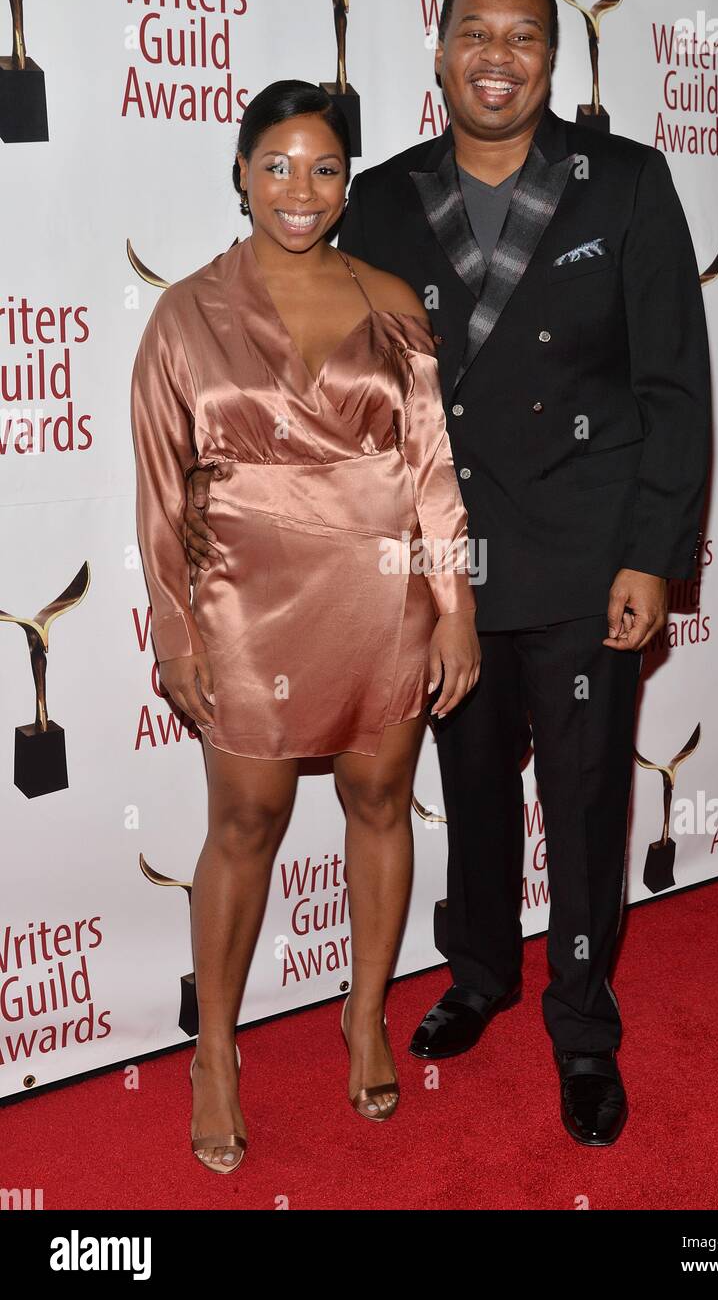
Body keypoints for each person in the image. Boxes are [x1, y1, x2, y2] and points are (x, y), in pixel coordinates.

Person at [185, 0, 711, 1148]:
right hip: (433, 570)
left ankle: (582, 1028)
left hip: (585, 560)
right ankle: (477, 973)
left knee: (579, 804)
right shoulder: (373, 197)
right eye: (473, 31)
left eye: (522, 36)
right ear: (436, 55)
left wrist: (652, 555)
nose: (496, 54)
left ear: (550, 62)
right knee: (467, 790)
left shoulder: (623, 182)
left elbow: (672, 384)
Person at [130, 79, 479, 1173]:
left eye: (324, 168)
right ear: (238, 170)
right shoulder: (184, 311)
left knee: (380, 799)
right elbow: (157, 487)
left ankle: (363, 1009)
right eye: (275, 164)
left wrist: (454, 607)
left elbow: (430, 471)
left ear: (347, 183)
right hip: (242, 601)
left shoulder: (391, 300)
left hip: (383, 595)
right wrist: (175, 629)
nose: (299, 188)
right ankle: (217, 1051)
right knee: (246, 823)